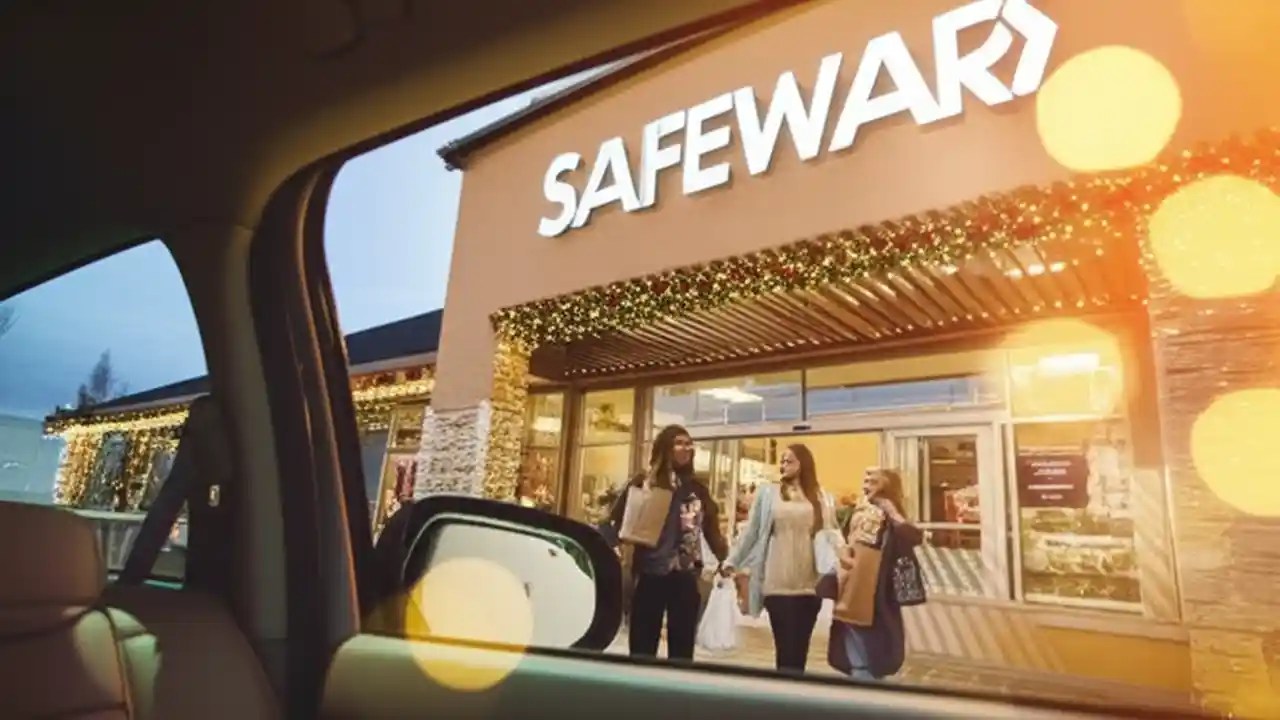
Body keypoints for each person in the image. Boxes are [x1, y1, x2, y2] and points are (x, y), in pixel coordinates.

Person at [605, 424, 728, 661]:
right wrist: (613, 548)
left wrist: (726, 558)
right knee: (642, 642)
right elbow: (616, 519)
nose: (686, 448)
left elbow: (710, 528)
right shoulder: (645, 482)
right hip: (651, 571)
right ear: (666, 447)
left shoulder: (696, 488)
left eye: (689, 443)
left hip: (686, 572)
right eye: (679, 443)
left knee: (682, 647)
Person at [723, 444, 836, 673]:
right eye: (782, 461)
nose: (784, 465)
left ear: (803, 463)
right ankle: (784, 695)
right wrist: (732, 560)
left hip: (809, 584)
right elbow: (752, 532)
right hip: (777, 582)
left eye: (789, 461)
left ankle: (798, 697)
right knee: (784, 649)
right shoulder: (768, 493)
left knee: (800, 649)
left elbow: (829, 534)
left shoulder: (820, 496)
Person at [827, 466, 923, 681]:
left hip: (875, 592)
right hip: (850, 584)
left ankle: (866, 679)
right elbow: (841, 538)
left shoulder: (892, 515)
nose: (865, 486)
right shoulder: (858, 511)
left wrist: (892, 512)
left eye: (873, 481)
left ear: (887, 485)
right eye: (865, 480)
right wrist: (842, 553)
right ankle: (858, 674)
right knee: (849, 633)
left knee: (873, 642)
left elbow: (914, 537)